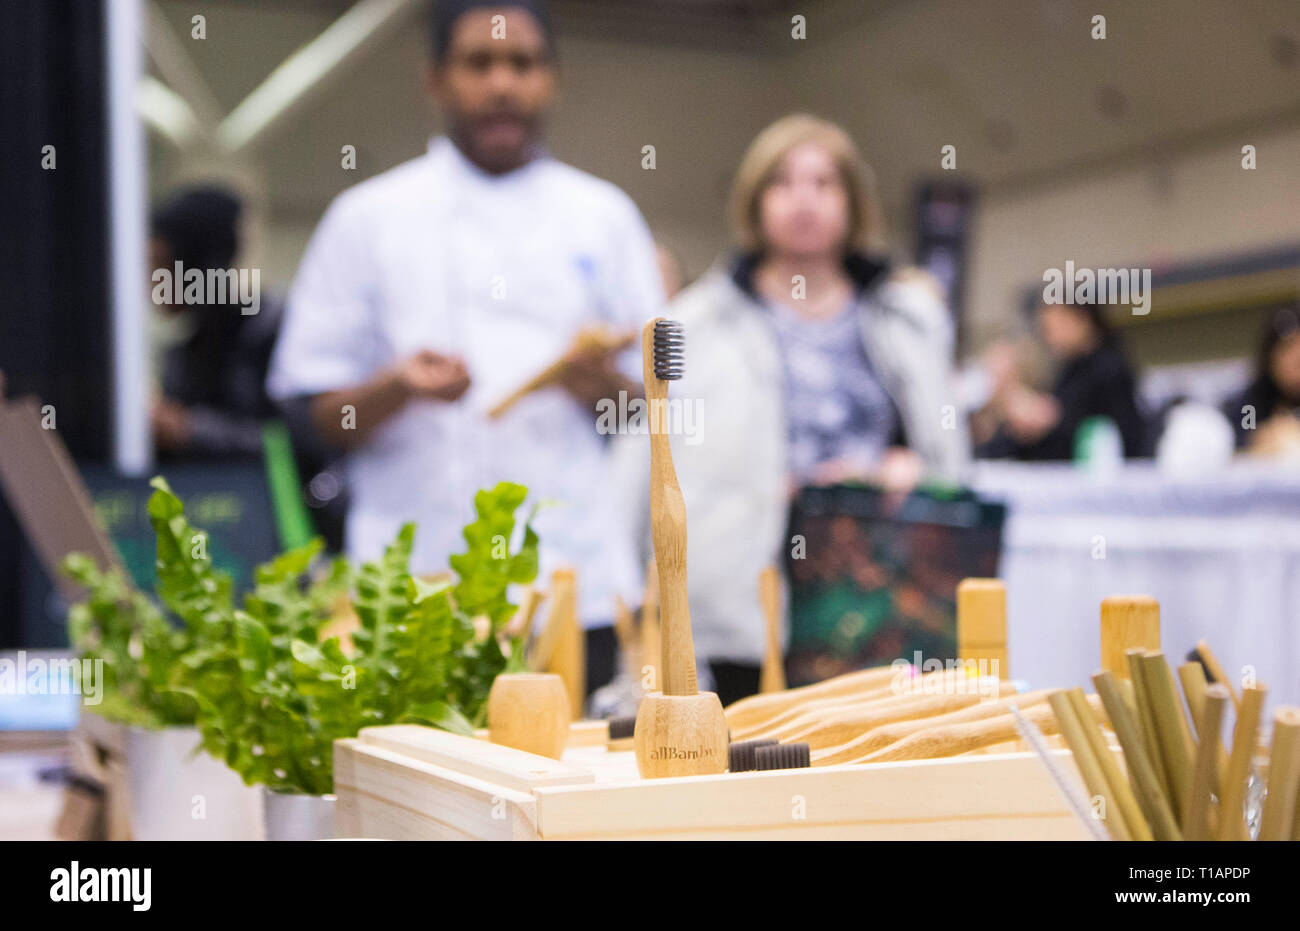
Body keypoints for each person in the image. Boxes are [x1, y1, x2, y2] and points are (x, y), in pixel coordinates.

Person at [267, 0, 663, 698]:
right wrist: (395, 388)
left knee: (571, 791)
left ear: (553, 79)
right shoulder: (368, 219)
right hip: (414, 583)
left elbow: (654, 416)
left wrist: (593, 386)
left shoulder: (605, 217)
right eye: (479, 63)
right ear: (436, 80)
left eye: (523, 63)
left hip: (578, 585)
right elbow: (311, 419)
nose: (502, 84)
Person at [622, 114, 968, 705]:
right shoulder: (700, 321)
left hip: (882, 587)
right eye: (782, 182)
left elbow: (946, 451)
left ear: (853, 201)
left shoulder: (908, 318)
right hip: (745, 591)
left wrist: (903, 471)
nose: (803, 200)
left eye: (823, 183)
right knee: (756, 760)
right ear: (754, 201)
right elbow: (649, 467)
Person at [149, 185, 280, 461]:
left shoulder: (267, 331)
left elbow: (293, 441)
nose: (151, 280)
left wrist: (189, 430)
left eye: (160, 265)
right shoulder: (184, 353)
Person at [979, 298, 1150, 461]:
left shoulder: (1110, 369)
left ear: (1081, 319)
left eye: (1053, 327)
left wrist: (1050, 417)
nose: (1049, 337)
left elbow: (1114, 435)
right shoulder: (1069, 370)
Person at [1223, 303, 1300, 458]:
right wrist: (1260, 438)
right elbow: (1243, 436)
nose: (1296, 359)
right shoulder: (1252, 403)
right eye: (1287, 350)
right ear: (1270, 359)